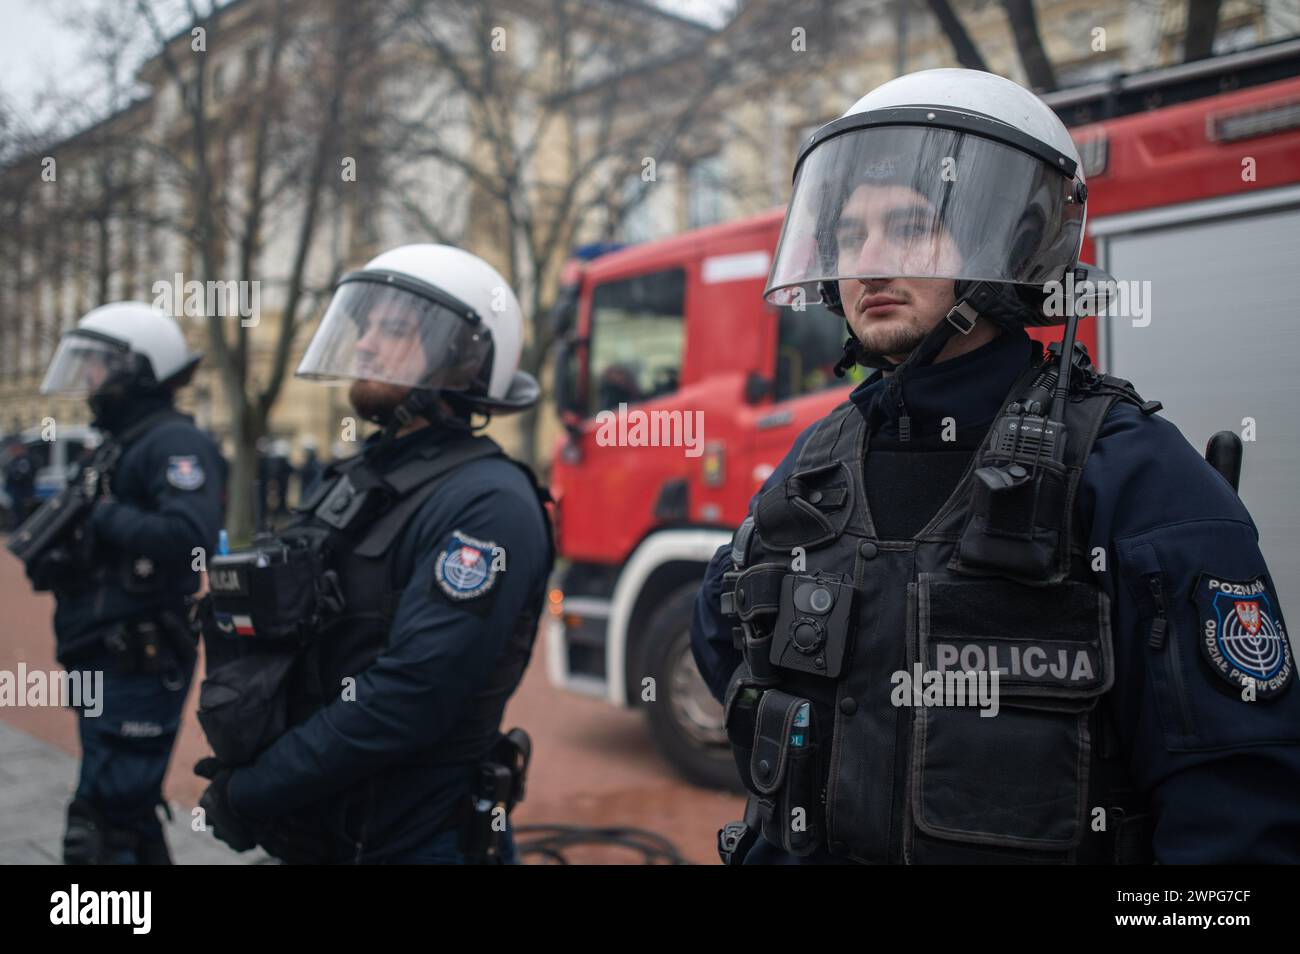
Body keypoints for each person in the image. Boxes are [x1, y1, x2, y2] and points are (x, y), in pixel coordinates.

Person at [692, 68, 1300, 864]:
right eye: (850, 235)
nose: (869, 264)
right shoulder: (813, 467)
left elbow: (1238, 817)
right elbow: (725, 643)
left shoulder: (1136, 477)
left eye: (911, 228)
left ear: (1011, 245)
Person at [194, 244, 553, 864]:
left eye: (393, 329)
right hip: (322, 828)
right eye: (364, 326)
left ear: (463, 357)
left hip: (414, 841)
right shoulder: (358, 476)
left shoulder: (489, 503)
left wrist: (254, 791)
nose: (363, 344)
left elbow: (407, 698)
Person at [20, 302, 224, 863]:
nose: (88, 379)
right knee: (124, 814)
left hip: (139, 657)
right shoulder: (124, 441)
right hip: (103, 653)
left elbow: (191, 533)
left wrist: (104, 515)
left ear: (138, 369)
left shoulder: (172, 443)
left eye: (99, 366)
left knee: (103, 820)